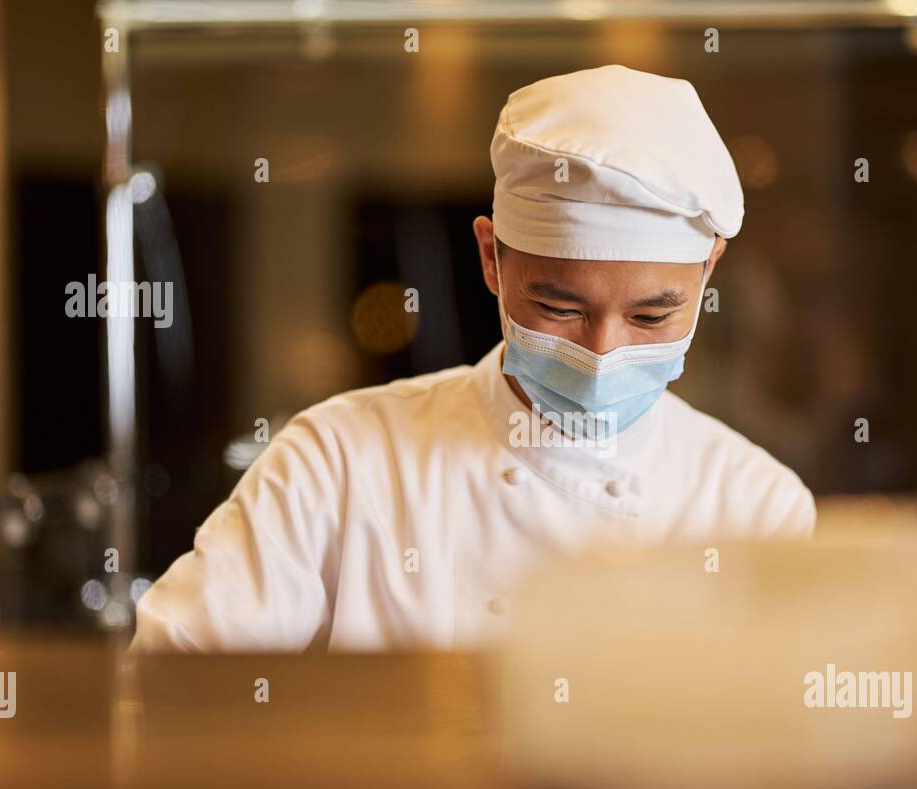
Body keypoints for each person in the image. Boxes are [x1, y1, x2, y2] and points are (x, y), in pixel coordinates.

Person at [130, 64, 814, 653]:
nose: (602, 354)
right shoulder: (336, 464)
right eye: (560, 308)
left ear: (709, 272)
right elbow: (169, 690)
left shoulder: (757, 509)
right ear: (491, 257)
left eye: (651, 316)